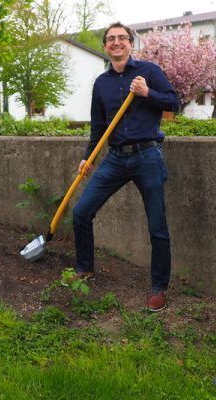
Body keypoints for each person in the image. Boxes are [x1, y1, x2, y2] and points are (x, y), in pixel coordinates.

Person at [71, 22, 179, 312]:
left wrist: (147, 93)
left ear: (131, 43)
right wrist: (88, 156)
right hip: (115, 158)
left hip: (147, 157)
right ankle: (85, 269)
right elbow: (98, 126)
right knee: (81, 212)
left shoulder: (149, 72)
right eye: (110, 39)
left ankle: (159, 288)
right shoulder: (101, 83)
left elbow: (174, 102)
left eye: (122, 38)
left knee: (157, 225)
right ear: (105, 46)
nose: (116, 43)